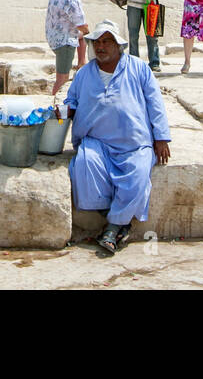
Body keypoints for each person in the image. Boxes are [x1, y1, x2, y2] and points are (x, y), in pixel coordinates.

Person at [65, 20, 171, 254]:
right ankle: (118, 221)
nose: (100, 47)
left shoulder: (139, 68)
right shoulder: (83, 74)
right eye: (97, 42)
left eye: (107, 41)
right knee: (84, 164)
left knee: (138, 176)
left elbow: (155, 103)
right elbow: (71, 101)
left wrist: (161, 137)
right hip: (97, 142)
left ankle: (112, 229)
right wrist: (64, 111)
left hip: (134, 143)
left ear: (118, 45)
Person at [46, 0, 90, 96]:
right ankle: (55, 104)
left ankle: (81, 63)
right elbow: (80, 24)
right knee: (62, 79)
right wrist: (89, 33)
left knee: (81, 37)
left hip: (54, 37)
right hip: (64, 41)